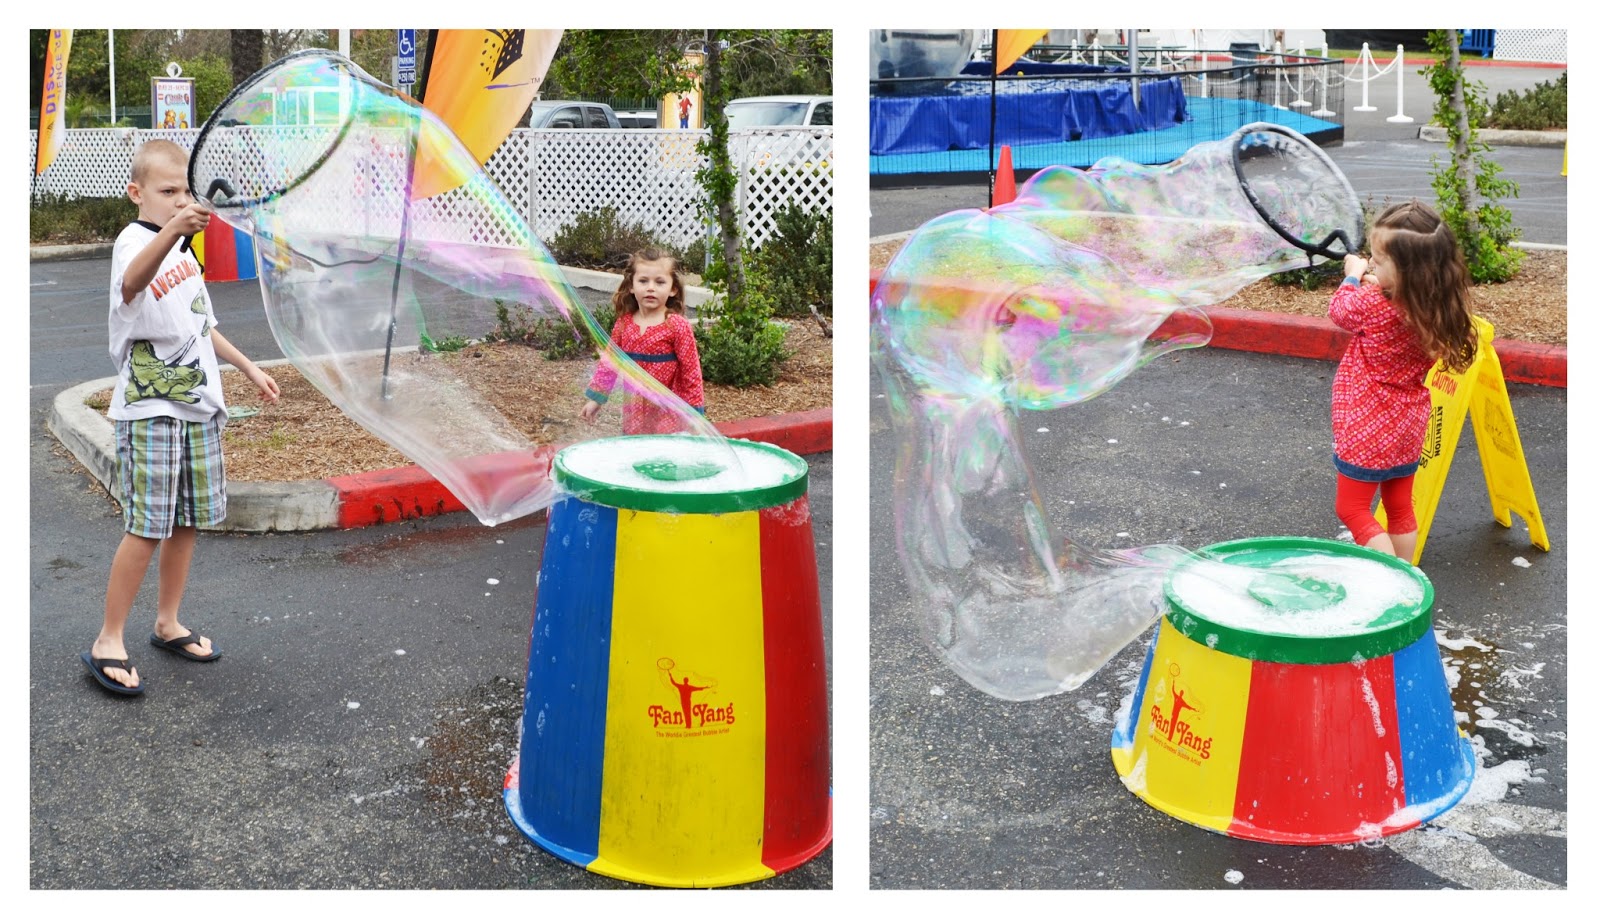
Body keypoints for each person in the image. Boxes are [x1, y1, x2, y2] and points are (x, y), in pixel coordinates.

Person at [83, 139, 281, 696]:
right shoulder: (135, 241)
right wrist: (174, 230)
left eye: (185, 191)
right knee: (146, 527)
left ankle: (167, 621)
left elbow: (200, 323)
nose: (179, 200)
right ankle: (108, 639)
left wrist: (246, 367)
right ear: (137, 193)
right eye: (167, 192)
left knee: (189, 520)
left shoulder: (185, 255)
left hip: (199, 408)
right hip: (150, 413)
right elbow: (131, 285)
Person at [1329, 200, 1477, 562]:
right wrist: (1378, 281)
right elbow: (1391, 301)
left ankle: (1393, 578)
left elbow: (1339, 311)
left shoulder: (1370, 303)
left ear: (1408, 273)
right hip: (1408, 424)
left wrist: (1352, 275)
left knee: (1353, 510)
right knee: (1398, 507)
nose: (1372, 266)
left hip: (1367, 425)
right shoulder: (1435, 306)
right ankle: (1411, 573)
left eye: (1379, 262)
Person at [581, 249, 705, 434]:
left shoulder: (676, 326)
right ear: (631, 286)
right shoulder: (624, 324)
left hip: (669, 409)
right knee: (636, 451)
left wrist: (694, 413)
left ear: (673, 289)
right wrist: (596, 399)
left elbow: (691, 372)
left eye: (660, 282)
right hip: (635, 408)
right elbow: (609, 364)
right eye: (643, 281)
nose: (651, 288)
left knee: (663, 455)